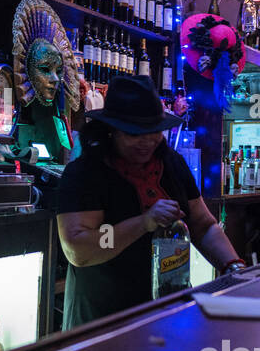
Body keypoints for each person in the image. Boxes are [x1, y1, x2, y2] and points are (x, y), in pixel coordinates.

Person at [56, 75, 247, 329]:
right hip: (104, 321)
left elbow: (203, 224)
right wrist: (143, 223)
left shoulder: (172, 164)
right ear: (111, 130)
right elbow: (79, 248)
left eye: (154, 131)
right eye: (135, 133)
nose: (147, 141)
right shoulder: (87, 173)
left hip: (168, 313)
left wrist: (233, 266)